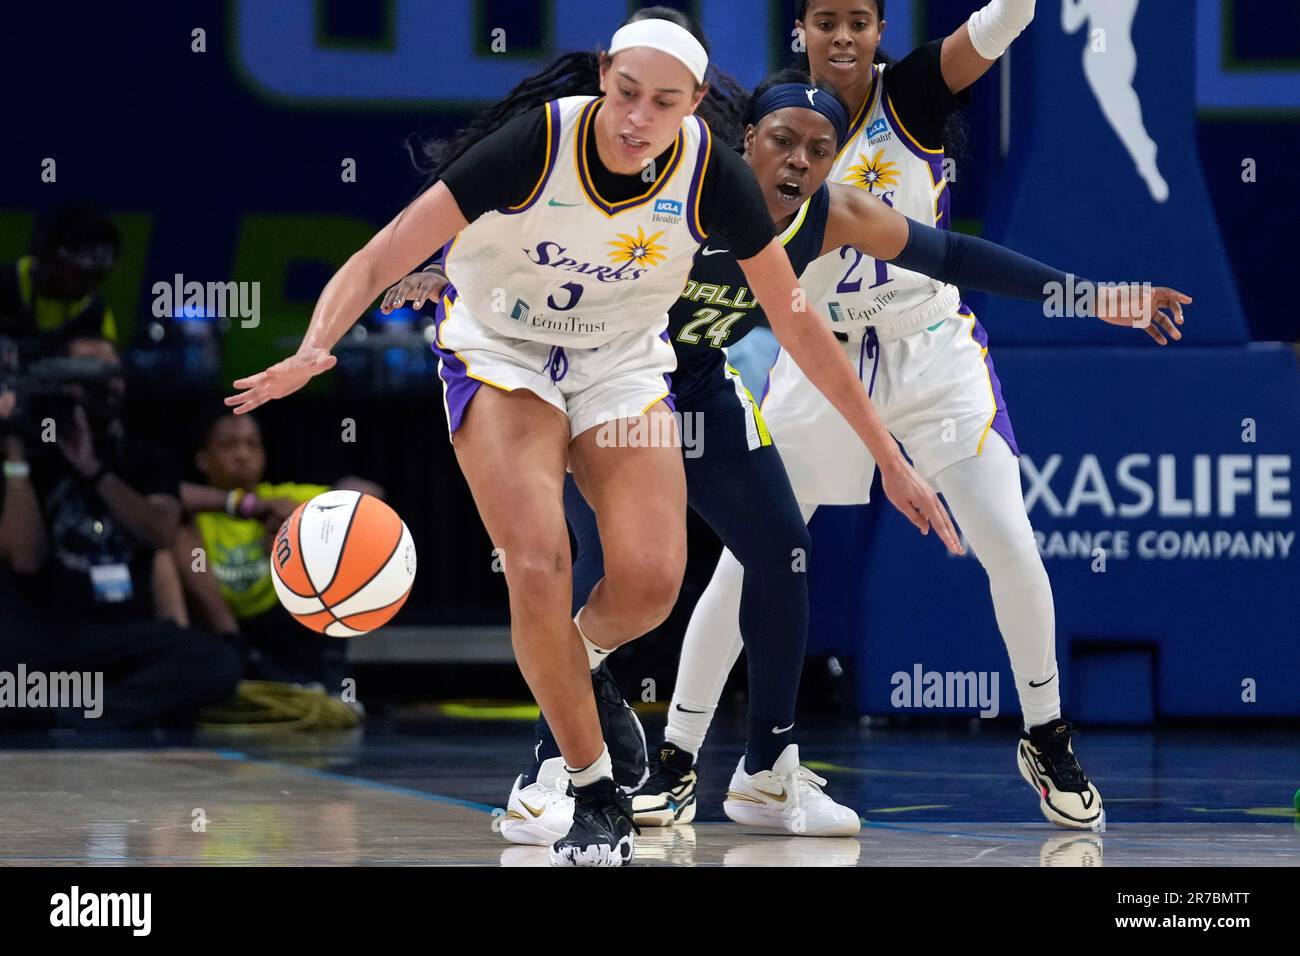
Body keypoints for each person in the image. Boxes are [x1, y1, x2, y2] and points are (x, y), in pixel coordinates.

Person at [226, 9, 961, 866]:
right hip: (505, 355)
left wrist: (891, 457)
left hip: (617, 363)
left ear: (691, 106)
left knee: (651, 584)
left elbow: (799, 327)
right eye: (625, 93)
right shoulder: (539, 143)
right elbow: (383, 249)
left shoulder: (710, 177)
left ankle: (573, 676)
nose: (637, 118)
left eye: (662, 102)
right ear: (604, 74)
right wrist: (315, 347)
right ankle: (589, 787)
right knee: (539, 563)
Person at [388, 67, 1187, 841]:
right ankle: (555, 770)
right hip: (607, 388)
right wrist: (454, 271)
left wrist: (1096, 297)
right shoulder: (683, 184)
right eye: (782, 141)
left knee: (783, 552)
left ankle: (766, 770)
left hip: (694, 385)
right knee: (601, 579)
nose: (798, 160)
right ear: (744, 141)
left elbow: (955, 258)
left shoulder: (830, 215)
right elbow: (543, 205)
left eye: (817, 147)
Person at [664, 0, 1188, 833]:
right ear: (798, 29)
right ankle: (677, 759)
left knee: (1011, 543)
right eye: (825, 20)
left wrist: (1098, 298)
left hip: (930, 346)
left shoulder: (911, 91)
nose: (843, 36)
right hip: (819, 357)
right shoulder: (773, 121)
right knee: (751, 561)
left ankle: (1045, 733)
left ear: (879, 32)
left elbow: (1005, 22)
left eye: (860, 21)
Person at [0, 337, 241, 729]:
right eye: (85, 375)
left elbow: (160, 532)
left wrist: (93, 470)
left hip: (125, 633)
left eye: (107, 374)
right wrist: (15, 457)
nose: (100, 386)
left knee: (214, 662)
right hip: (47, 632)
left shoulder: (145, 458)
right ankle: (100, 707)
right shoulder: (30, 458)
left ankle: (73, 712)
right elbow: (26, 559)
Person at [172, 407, 383, 688]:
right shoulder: (196, 512)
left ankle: (326, 678)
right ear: (203, 460)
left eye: (252, 444)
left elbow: (367, 494)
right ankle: (237, 654)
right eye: (228, 445)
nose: (242, 454)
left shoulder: (280, 498)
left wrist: (302, 521)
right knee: (173, 535)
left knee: (339, 532)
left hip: (281, 625)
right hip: (218, 630)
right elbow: (163, 495)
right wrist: (248, 506)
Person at [0, 205, 121, 361]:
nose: (90, 284)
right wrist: (65, 351)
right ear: (48, 258)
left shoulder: (95, 311)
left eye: (99, 275)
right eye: (80, 273)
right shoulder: (6, 283)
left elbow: (112, 371)